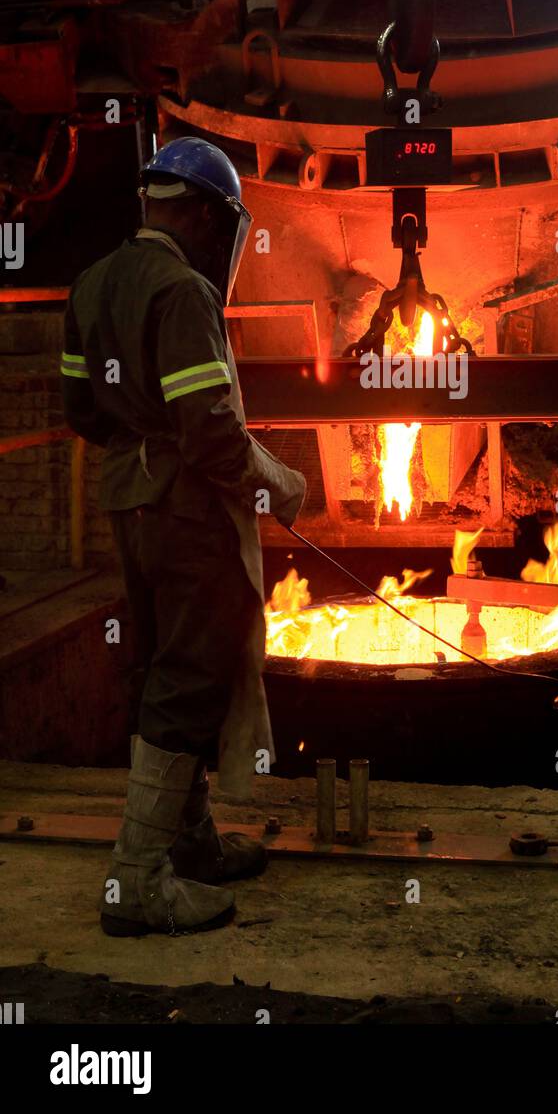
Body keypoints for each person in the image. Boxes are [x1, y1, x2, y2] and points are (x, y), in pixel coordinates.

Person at [61, 136, 306, 937]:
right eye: (219, 223)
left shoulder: (93, 283)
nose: (217, 240)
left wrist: (147, 442)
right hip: (187, 512)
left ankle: (189, 840)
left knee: (164, 662)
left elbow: (83, 415)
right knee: (193, 672)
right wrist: (272, 481)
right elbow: (208, 431)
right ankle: (135, 883)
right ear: (202, 213)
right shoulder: (182, 291)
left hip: (130, 504)